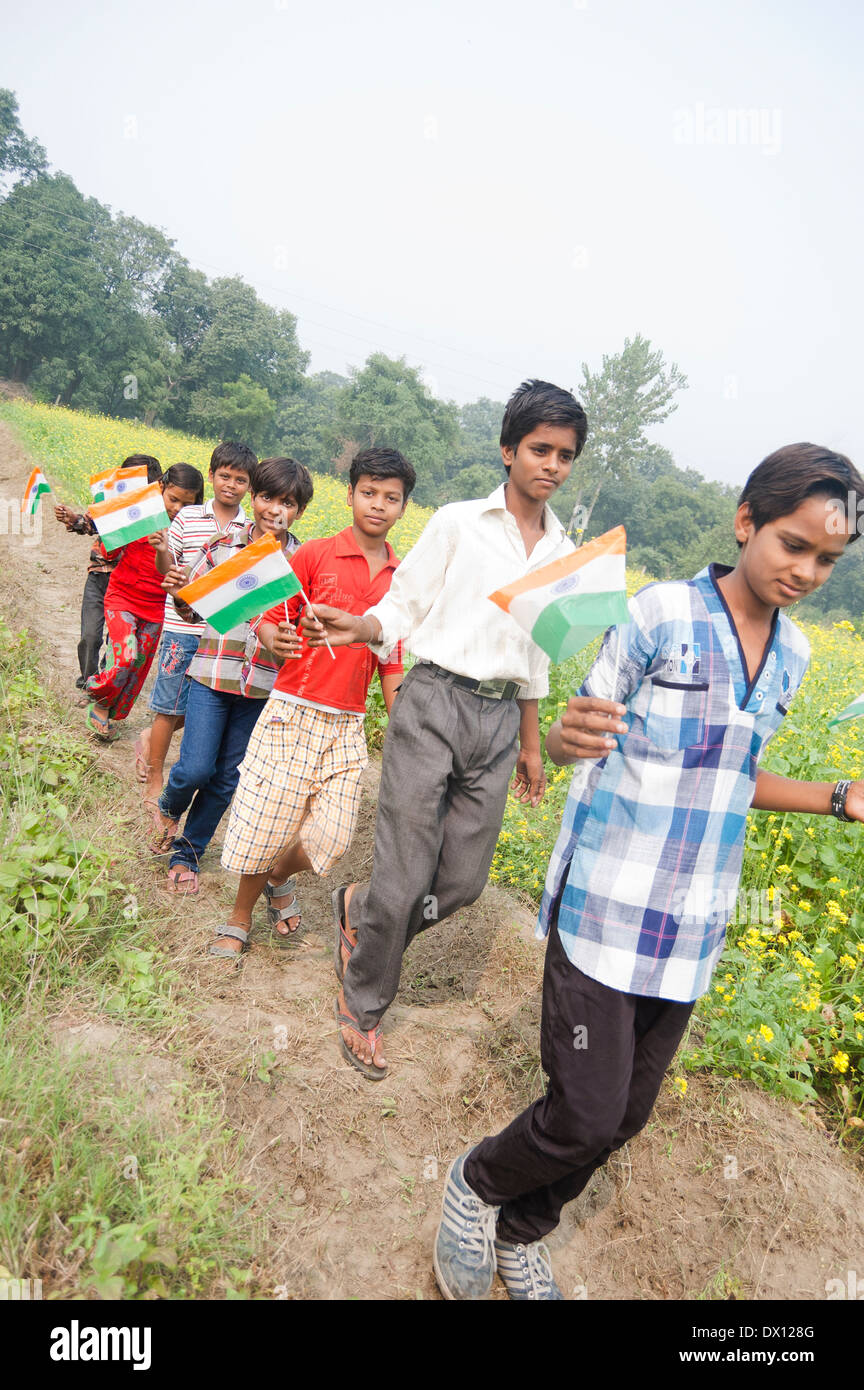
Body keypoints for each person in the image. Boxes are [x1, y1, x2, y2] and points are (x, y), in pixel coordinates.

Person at [432, 442, 864, 1301]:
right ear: (747, 523)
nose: (807, 570)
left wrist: (840, 796)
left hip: (692, 923)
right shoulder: (661, 613)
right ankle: (476, 1184)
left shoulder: (795, 657)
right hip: (605, 908)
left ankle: (522, 1231)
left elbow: (735, 776)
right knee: (584, 1111)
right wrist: (560, 739)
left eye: (828, 558)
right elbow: (574, 729)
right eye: (793, 544)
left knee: (625, 1115)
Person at [301, 380, 586, 1078]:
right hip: (431, 701)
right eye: (540, 449)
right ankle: (364, 1005)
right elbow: (401, 607)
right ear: (508, 450)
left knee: (461, 882)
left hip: (497, 720)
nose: (552, 464)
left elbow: (535, 654)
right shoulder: (459, 522)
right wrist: (362, 626)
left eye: (566, 455)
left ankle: (361, 911)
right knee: (405, 875)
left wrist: (530, 741)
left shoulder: (564, 553)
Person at [216, 446, 416, 963]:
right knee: (268, 820)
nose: (378, 505)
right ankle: (239, 916)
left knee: (333, 835)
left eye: (390, 498)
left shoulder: (402, 581)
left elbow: (391, 662)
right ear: (349, 495)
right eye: (368, 493)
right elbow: (266, 614)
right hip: (293, 706)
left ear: (403, 508)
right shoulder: (314, 555)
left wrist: (404, 729)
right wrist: (270, 637)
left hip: (348, 721)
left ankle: (280, 877)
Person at [149, 457, 313, 895]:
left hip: (263, 685)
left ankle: (187, 851)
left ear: (299, 510)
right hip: (212, 673)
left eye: (289, 503)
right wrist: (180, 593)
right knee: (194, 768)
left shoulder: (303, 561)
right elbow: (191, 605)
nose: (276, 510)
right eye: (267, 498)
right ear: (253, 498)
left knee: (226, 778)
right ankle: (168, 803)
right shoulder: (224, 545)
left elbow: (305, 623)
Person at [136, 441, 257, 801]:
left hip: (220, 635)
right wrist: (162, 553)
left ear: (249, 486)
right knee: (168, 704)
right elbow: (169, 571)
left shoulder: (249, 530)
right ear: (211, 475)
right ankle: (155, 779)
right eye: (224, 476)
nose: (231, 485)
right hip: (182, 627)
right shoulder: (188, 517)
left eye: (240, 479)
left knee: (200, 706)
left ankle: (151, 742)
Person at [84, 463, 204, 741]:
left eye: (186, 504)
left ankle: (112, 713)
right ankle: (98, 696)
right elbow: (108, 547)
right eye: (173, 499)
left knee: (138, 666)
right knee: (125, 657)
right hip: (122, 597)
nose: (176, 508)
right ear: (160, 488)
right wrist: (109, 516)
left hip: (156, 608)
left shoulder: (189, 529)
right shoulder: (138, 513)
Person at [54, 455, 161, 703]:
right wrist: (72, 518)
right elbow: (90, 524)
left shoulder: (155, 514)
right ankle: (88, 681)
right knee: (89, 636)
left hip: (128, 587)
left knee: (118, 643)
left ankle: (101, 688)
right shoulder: (112, 500)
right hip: (100, 575)